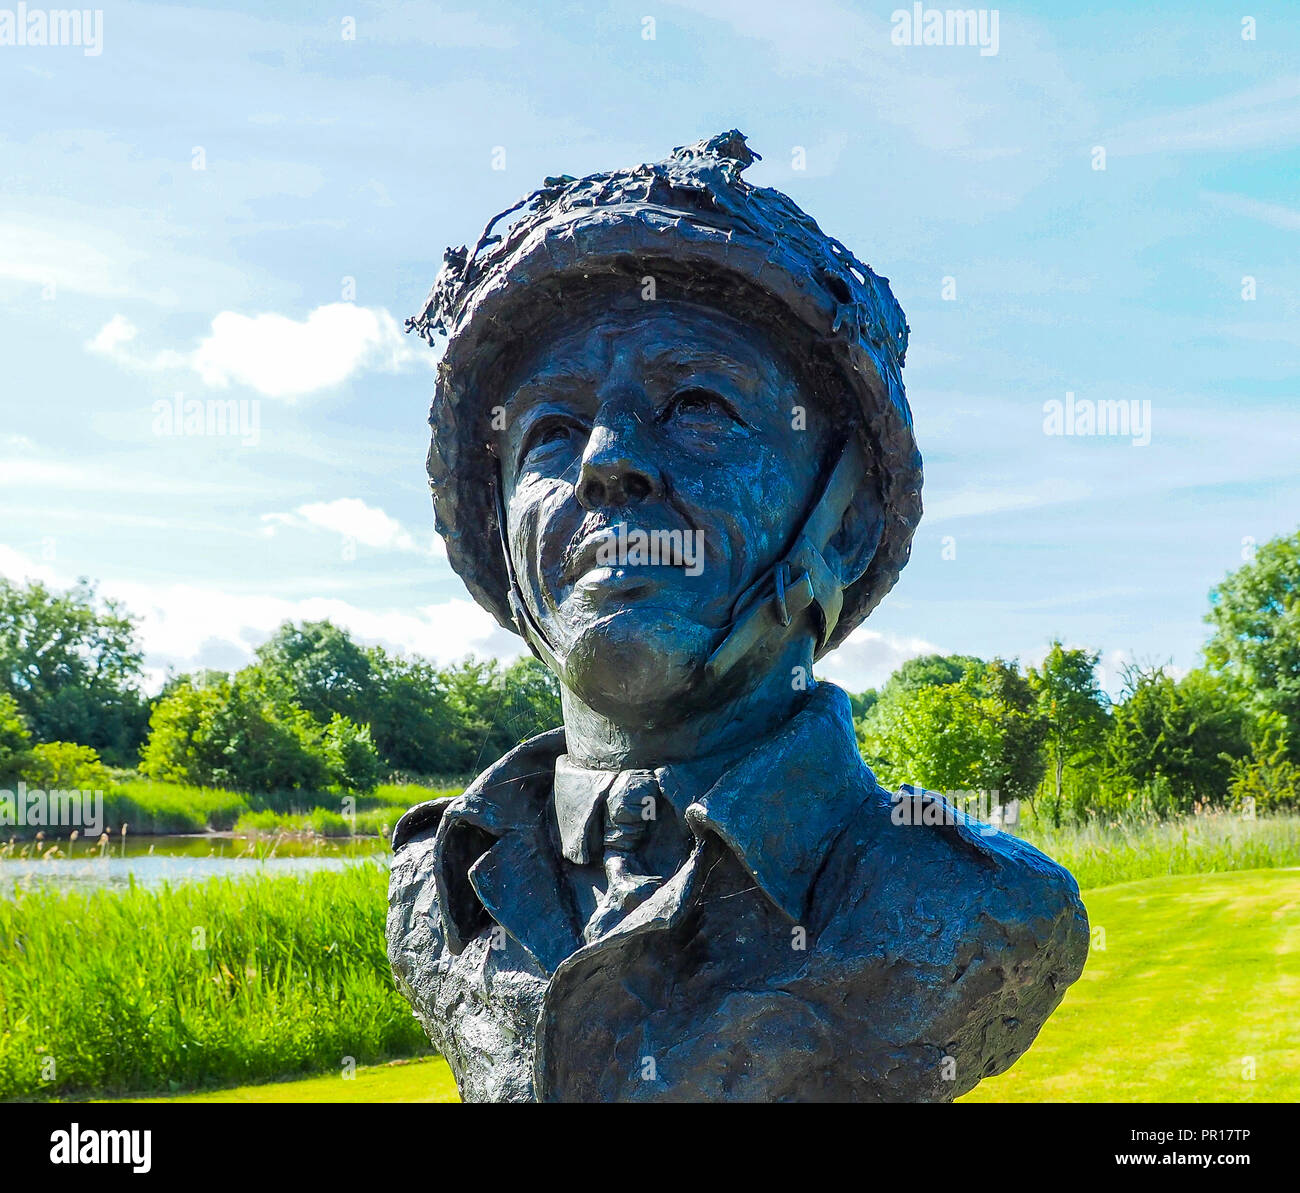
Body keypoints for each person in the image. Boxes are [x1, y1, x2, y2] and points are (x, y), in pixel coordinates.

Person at [388, 131, 1088, 1103]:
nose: (604, 460)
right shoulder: (437, 885)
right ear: (503, 544)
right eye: (551, 429)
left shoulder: (969, 902)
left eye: (697, 404)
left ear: (844, 525)